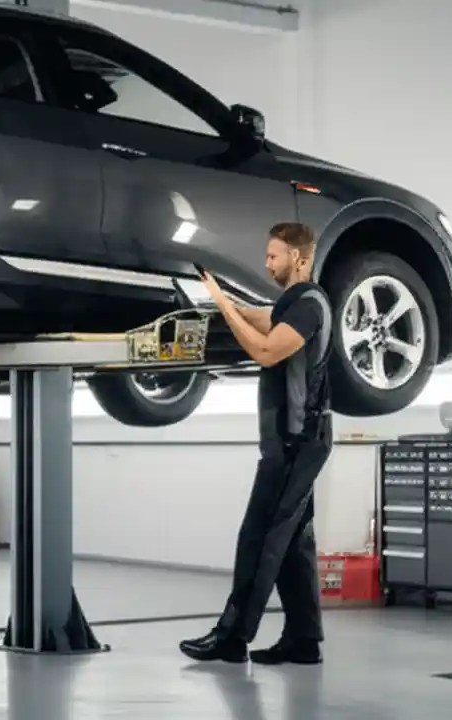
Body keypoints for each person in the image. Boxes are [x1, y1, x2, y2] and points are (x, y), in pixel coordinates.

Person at [180, 222, 334, 666]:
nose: (266, 263)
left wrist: (224, 308)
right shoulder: (294, 304)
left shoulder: (308, 305)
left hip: (295, 442)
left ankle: (232, 636)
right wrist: (215, 297)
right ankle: (304, 641)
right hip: (294, 440)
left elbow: (266, 350)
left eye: (274, 256)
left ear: (299, 260)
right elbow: (260, 316)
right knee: (293, 542)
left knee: (260, 538)